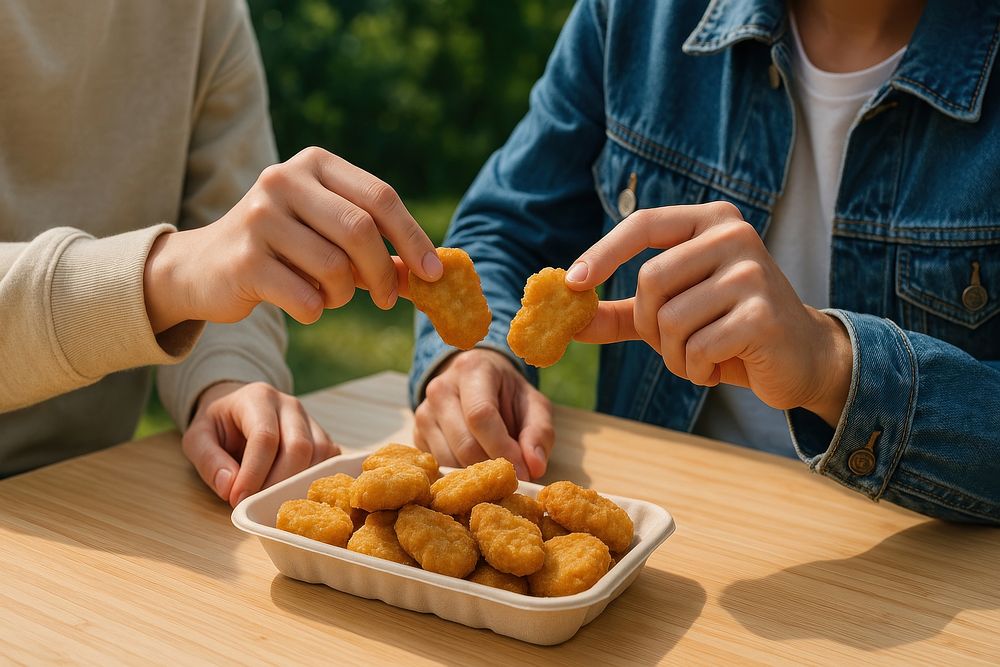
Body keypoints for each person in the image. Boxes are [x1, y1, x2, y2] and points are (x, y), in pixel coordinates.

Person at [409, 0, 1000, 523]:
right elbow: (507, 225)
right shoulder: (636, 15)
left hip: (916, 568)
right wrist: (477, 358)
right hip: (662, 533)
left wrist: (833, 366)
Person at [0, 1, 442, 506]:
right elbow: (198, 262)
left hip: (94, 491)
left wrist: (228, 380)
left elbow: (233, 258)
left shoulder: (202, 12)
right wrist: (169, 273)